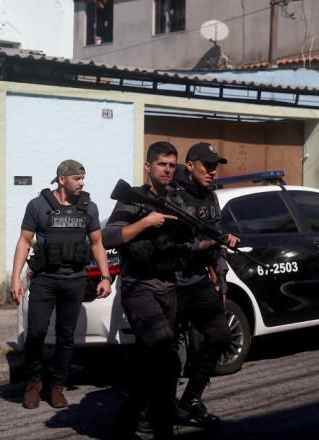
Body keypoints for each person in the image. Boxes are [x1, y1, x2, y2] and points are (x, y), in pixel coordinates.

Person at [103, 141, 216, 439]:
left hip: (168, 286)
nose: (167, 170)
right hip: (139, 287)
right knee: (167, 355)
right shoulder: (133, 200)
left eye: (171, 165)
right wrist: (145, 222)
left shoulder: (176, 201)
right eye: (161, 164)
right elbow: (109, 237)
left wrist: (210, 244)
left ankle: (131, 421)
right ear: (148, 167)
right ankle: (163, 424)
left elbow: (181, 245)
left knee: (149, 361)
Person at [10, 159, 112, 410]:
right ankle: (33, 384)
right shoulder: (38, 205)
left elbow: (97, 244)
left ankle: (57, 386)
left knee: (66, 337)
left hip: (74, 279)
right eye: (77, 178)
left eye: (83, 177)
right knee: (36, 333)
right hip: (44, 278)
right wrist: (15, 278)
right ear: (62, 179)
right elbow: (25, 241)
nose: (82, 182)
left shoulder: (89, 207)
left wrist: (105, 276)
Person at [172, 141, 239, 428]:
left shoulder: (211, 197)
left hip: (200, 280)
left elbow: (218, 242)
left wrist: (220, 281)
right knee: (168, 354)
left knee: (220, 336)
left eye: (215, 167)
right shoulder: (172, 196)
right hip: (172, 282)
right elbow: (174, 245)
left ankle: (192, 398)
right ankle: (157, 409)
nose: (212, 171)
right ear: (190, 165)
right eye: (207, 166)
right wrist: (211, 243)